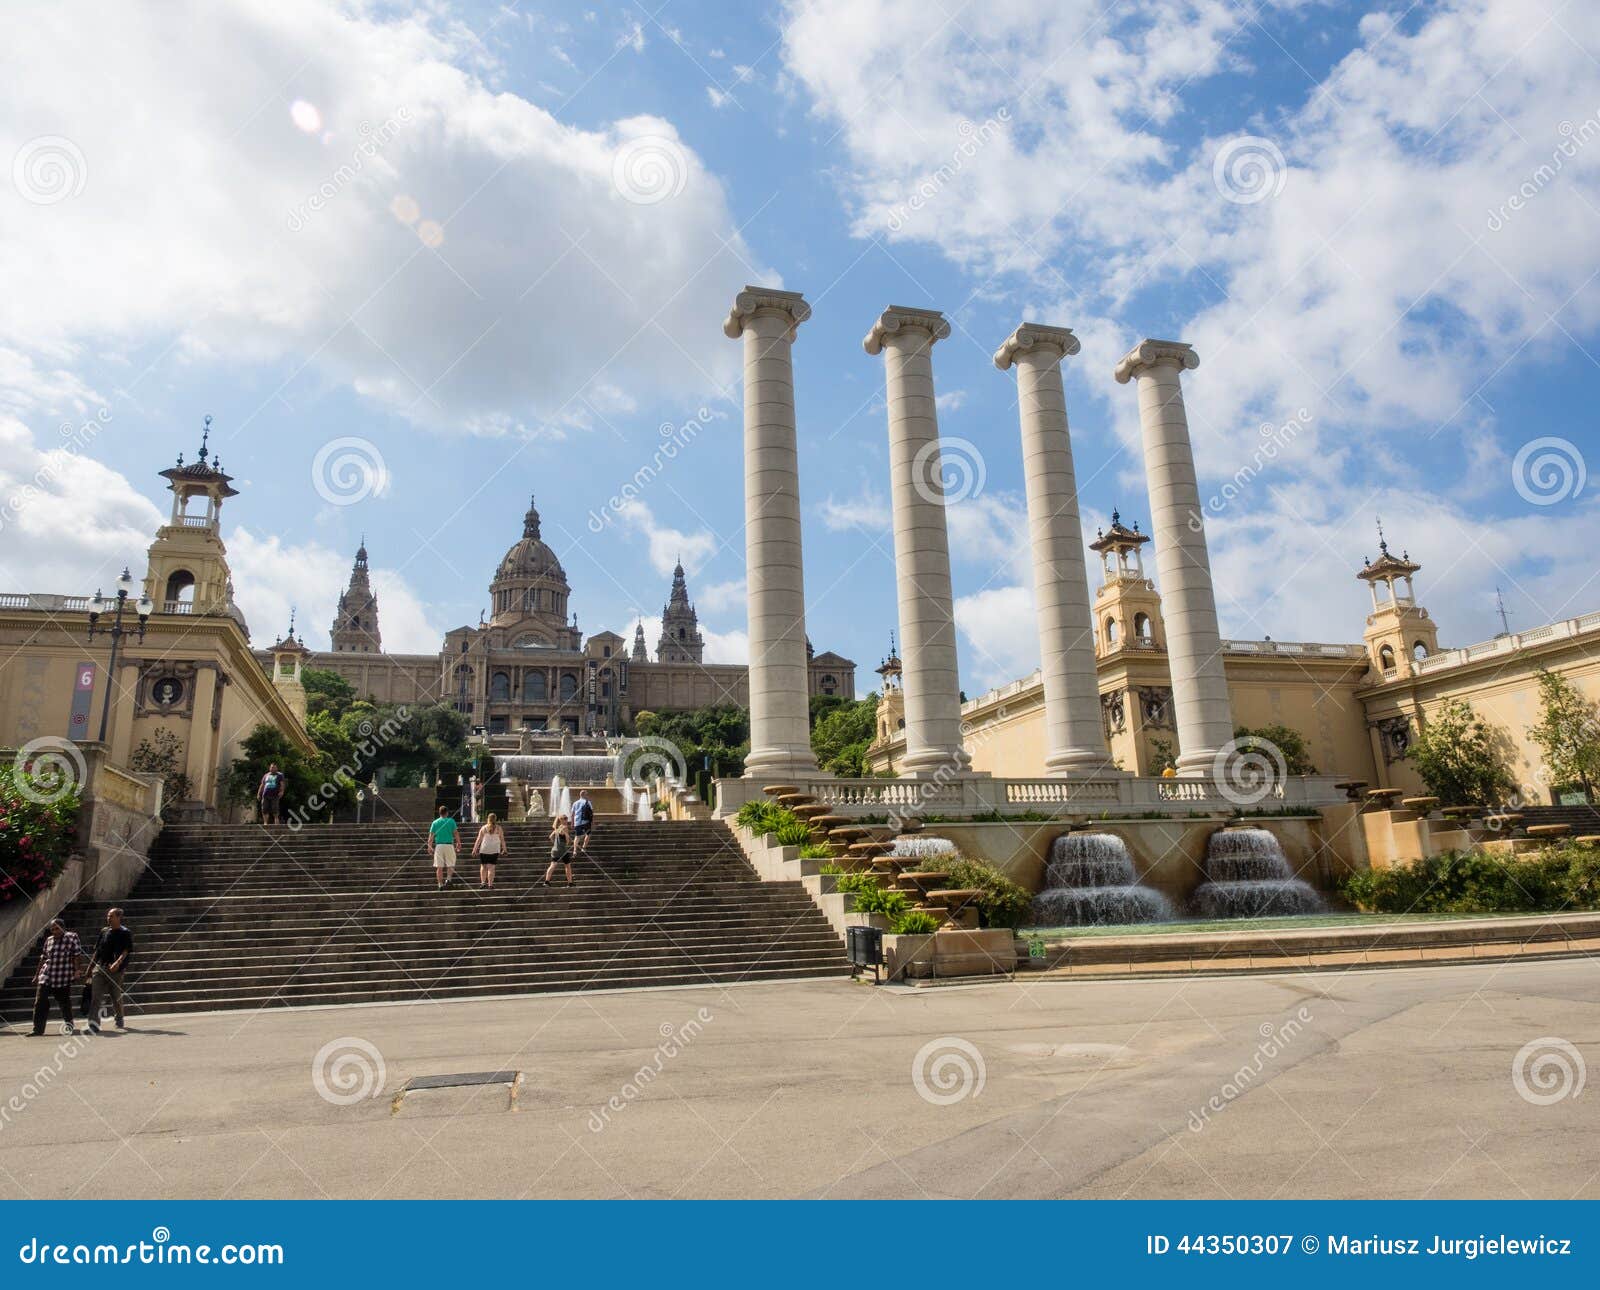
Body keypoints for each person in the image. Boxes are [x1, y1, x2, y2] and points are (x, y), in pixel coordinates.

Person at [31, 919, 88, 1036]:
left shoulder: (72, 937)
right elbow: (43, 958)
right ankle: (37, 1029)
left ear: (63, 927)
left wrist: (77, 970)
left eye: (57, 928)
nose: (54, 931)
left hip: (62, 976)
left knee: (64, 1002)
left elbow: (77, 955)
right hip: (47, 974)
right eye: (52, 929)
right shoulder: (49, 940)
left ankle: (69, 1024)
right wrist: (37, 975)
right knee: (40, 1001)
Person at [87, 907, 133, 1032]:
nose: (108, 918)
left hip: (116, 970)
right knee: (96, 997)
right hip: (100, 967)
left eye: (111, 916)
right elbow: (97, 951)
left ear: (119, 917)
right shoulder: (104, 931)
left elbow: (126, 950)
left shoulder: (125, 932)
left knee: (115, 996)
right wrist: (90, 968)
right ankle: (93, 1025)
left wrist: (118, 963)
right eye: (108, 916)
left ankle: (119, 1018)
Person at [428, 805, 459, 889]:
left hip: (439, 846)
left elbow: (431, 836)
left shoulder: (435, 822)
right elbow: (455, 833)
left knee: (439, 867)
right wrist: (458, 843)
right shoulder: (451, 821)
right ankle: (448, 879)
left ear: (439, 813)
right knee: (451, 864)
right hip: (449, 845)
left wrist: (429, 846)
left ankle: (440, 884)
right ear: (447, 813)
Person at [472, 812, 505, 889]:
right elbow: (502, 840)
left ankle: (483, 883)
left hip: (484, 849)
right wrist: (504, 849)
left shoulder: (484, 828)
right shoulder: (499, 828)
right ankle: (490, 884)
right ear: (495, 819)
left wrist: (474, 850)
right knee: (491, 867)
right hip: (494, 850)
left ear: (488, 819)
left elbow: (478, 840)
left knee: (483, 866)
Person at [544, 814, 575, 886]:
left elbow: (550, 837)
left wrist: (555, 843)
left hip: (555, 850)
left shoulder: (557, 828)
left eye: (566, 818)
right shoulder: (565, 827)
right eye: (565, 818)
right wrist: (568, 839)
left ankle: (546, 881)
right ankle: (570, 883)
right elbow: (567, 841)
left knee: (552, 865)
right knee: (567, 866)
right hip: (563, 850)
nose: (567, 820)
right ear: (561, 820)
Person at [571, 789, 595, 857]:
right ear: (584, 795)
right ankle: (583, 847)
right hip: (586, 822)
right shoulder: (588, 802)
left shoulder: (575, 803)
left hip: (577, 822)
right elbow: (591, 813)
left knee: (577, 837)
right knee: (588, 834)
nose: (587, 795)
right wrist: (592, 822)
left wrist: (572, 823)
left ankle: (575, 850)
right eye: (586, 794)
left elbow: (572, 814)